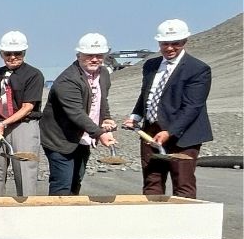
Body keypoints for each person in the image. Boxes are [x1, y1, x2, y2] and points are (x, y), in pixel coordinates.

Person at [123, 19, 213, 199]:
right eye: (165, 44)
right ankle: (155, 222)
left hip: (183, 136)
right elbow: (146, 95)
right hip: (151, 132)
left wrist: (169, 132)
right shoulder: (150, 65)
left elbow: (193, 107)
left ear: (184, 42)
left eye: (175, 44)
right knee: (152, 181)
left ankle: (184, 224)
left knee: (183, 184)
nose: (170, 48)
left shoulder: (198, 69)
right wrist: (136, 116)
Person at [40, 33, 118, 195]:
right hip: (60, 138)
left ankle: (72, 214)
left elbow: (102, 100)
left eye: (99, 55)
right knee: (62, 183)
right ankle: (55, 217)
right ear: (79, 55)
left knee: (76, 180)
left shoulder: (103, 74)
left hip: (82, 136)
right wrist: (99, 133)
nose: (95, 59)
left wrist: (106, 118)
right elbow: (75, 113)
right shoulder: (67, 81)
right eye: (89, 55)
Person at [0, 31, 44, 197]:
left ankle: (26, 210)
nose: (12, 57)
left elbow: (28, 107)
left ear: (24, 53)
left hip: (23, 126)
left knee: (24, 171)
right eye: (8, 53)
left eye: (17, 53)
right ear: (1, 54)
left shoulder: (34, 75)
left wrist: (5, 123)